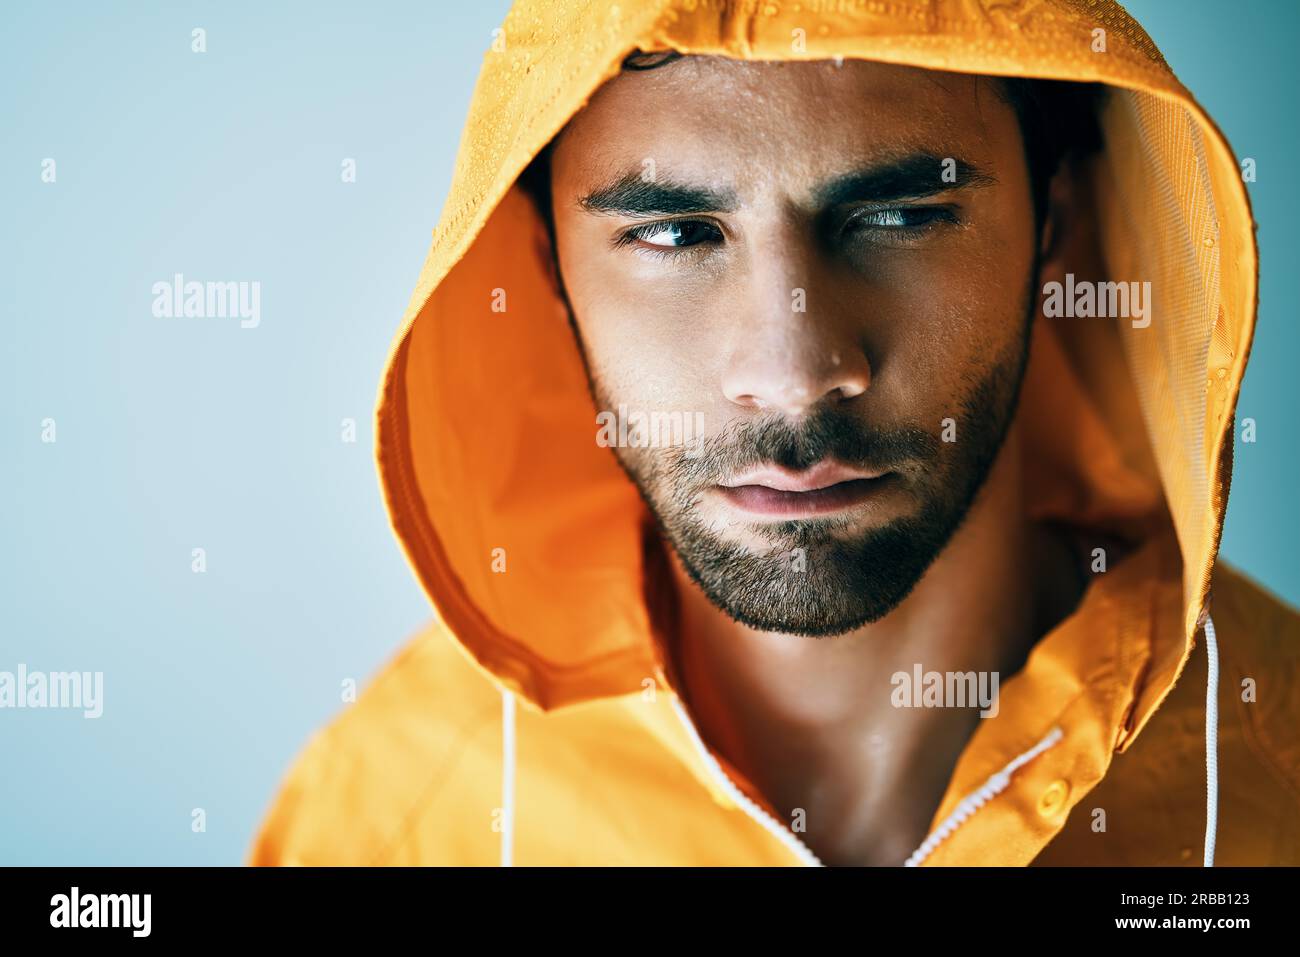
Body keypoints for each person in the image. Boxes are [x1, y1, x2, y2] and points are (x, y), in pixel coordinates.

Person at [249, 0, 1299, 866]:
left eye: (897, 217)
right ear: (546, 272)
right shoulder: (390, 823)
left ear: (1055, 230)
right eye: (672, 233)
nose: (793, 376)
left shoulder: (1275, 771)